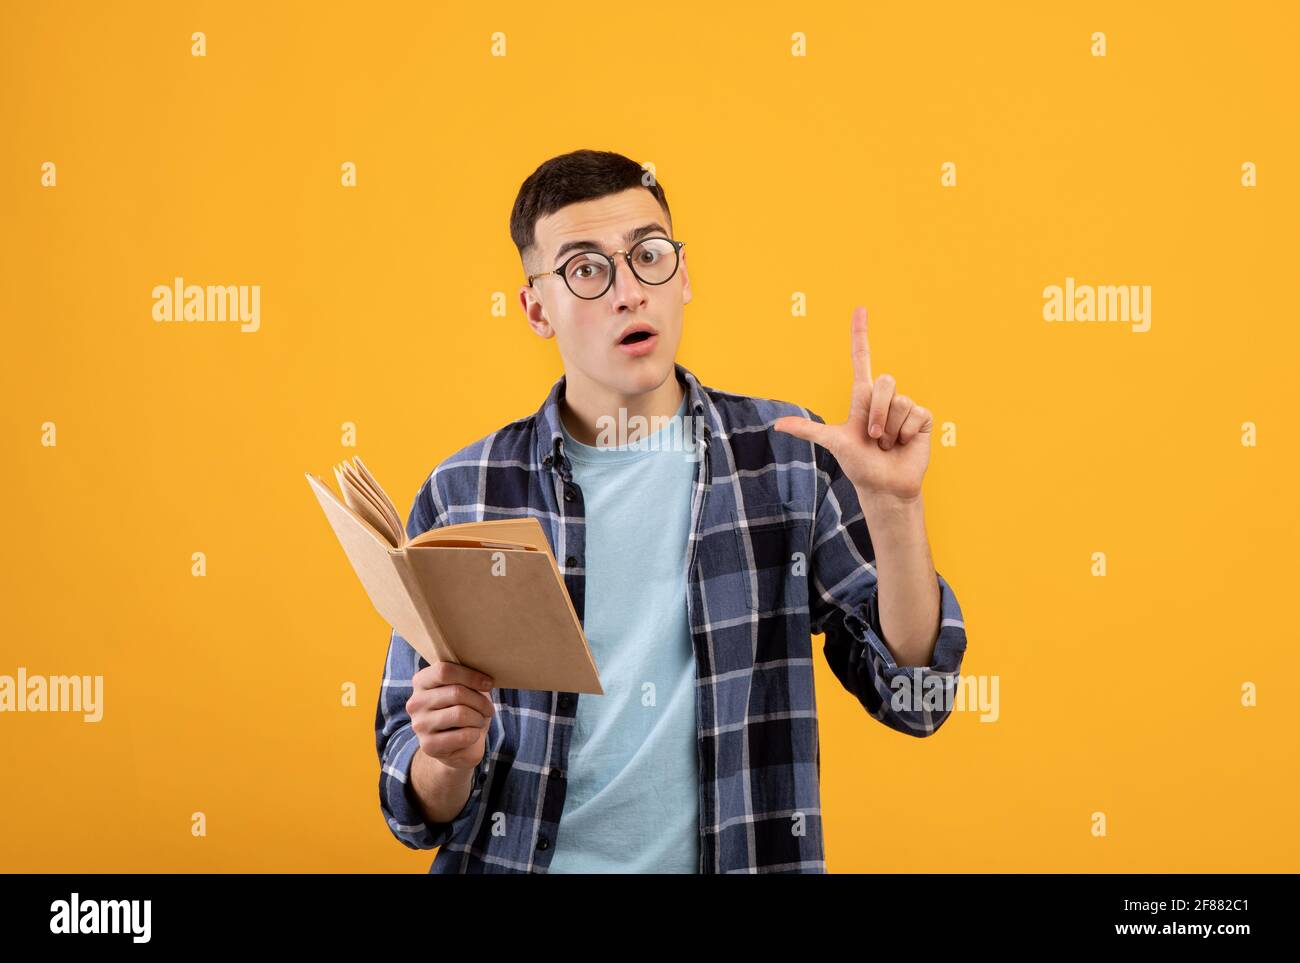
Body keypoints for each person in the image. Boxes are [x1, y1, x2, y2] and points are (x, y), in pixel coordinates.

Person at [375, 148, 969, 874]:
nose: (628, 292)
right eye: (586, 270)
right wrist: (445, 759)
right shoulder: (465, 491)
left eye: (648, 255)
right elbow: (412, 806)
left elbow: (915, 695)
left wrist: (896, 507)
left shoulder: (786, 460)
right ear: (536, 308)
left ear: (683, 276)